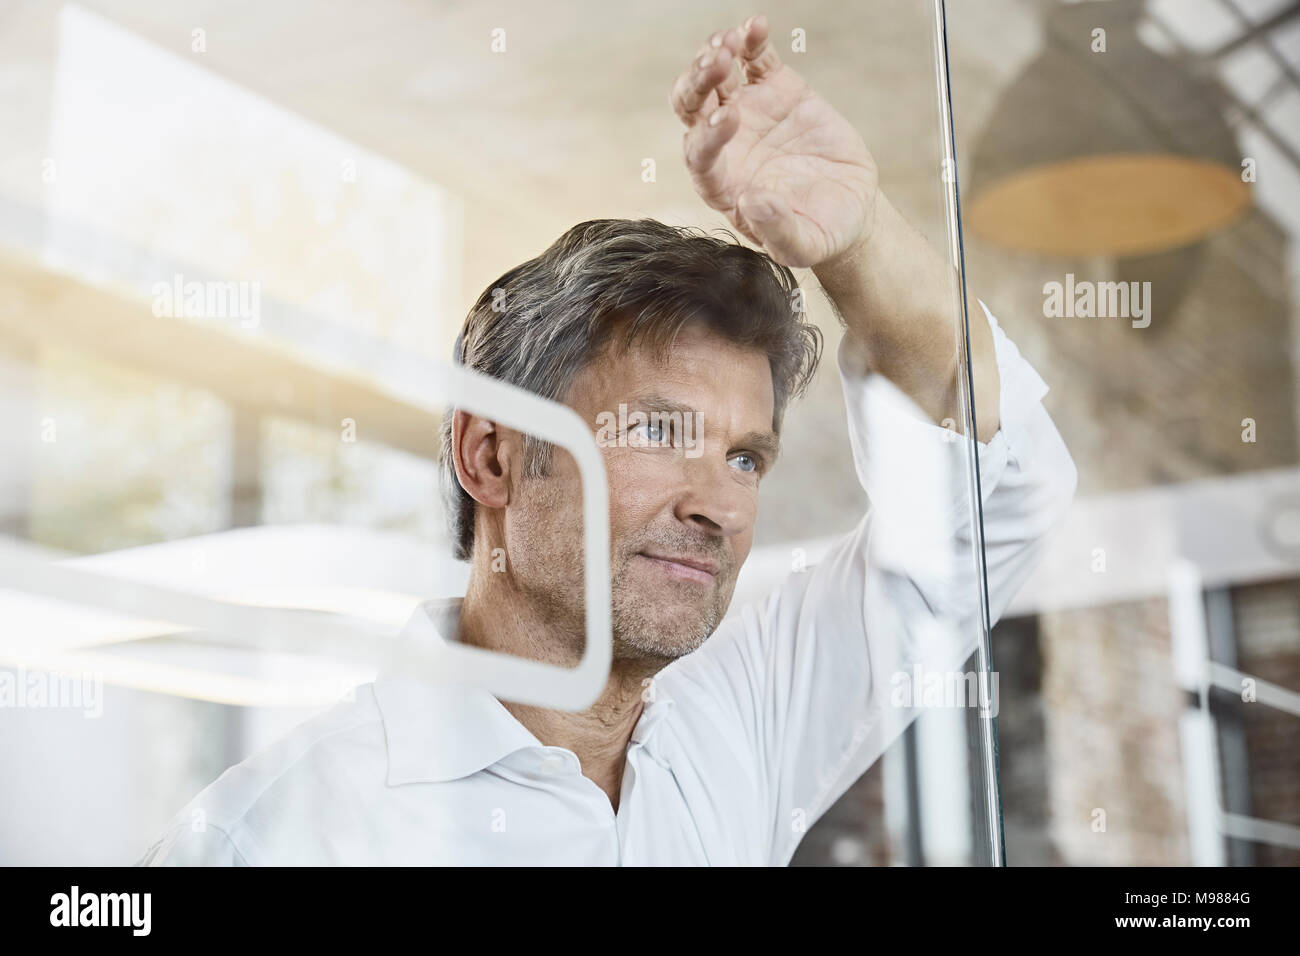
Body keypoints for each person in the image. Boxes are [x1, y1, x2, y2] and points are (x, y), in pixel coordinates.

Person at [138, 14, 1076, 866]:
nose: (718, 502)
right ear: (491, 458)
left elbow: (990, 496)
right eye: (660, 431)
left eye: (745, 457)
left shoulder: (733, 723)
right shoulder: (268, 840)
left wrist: (856, 235)